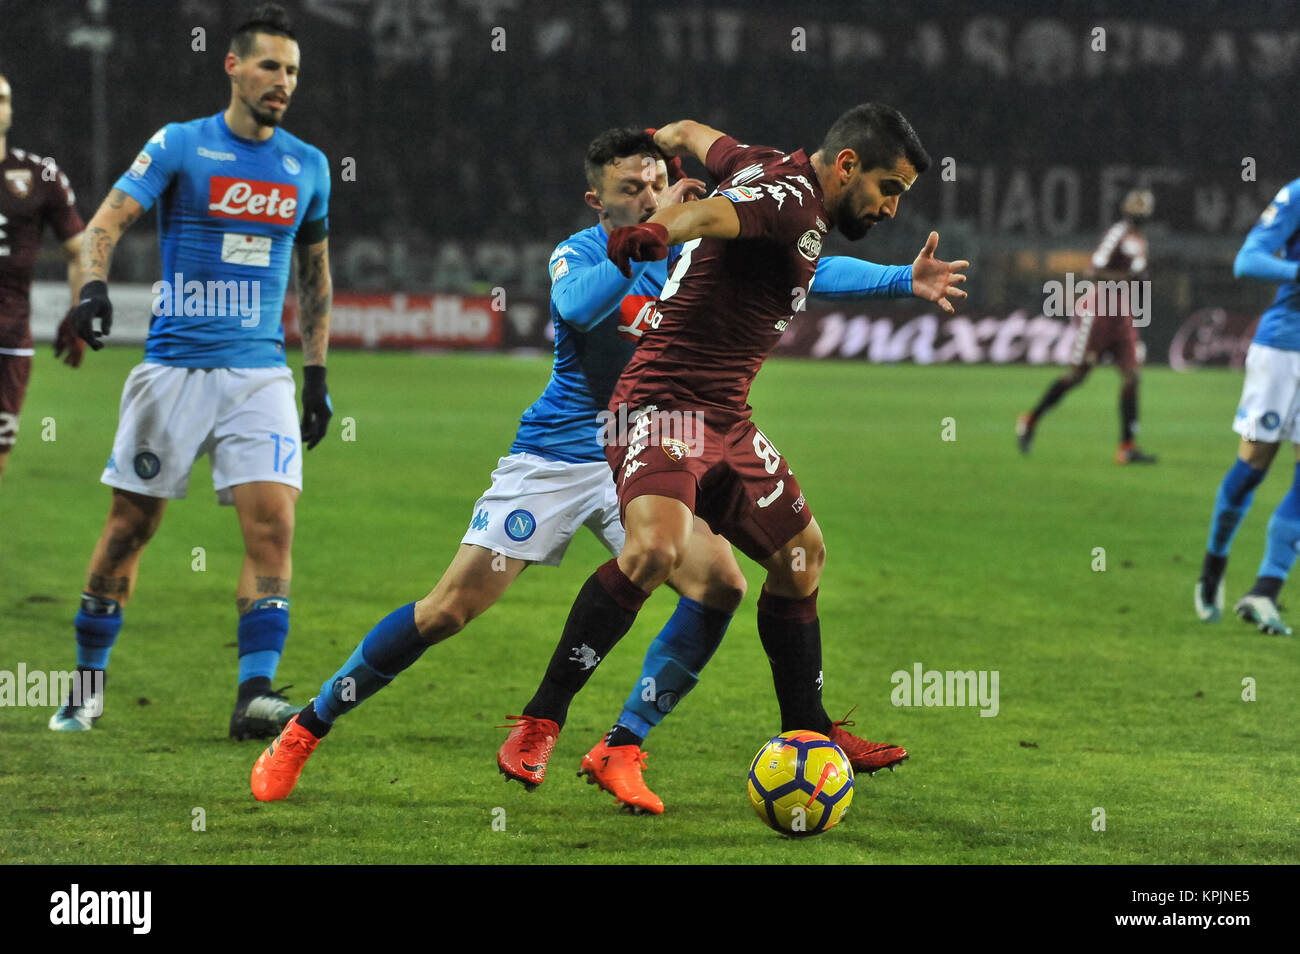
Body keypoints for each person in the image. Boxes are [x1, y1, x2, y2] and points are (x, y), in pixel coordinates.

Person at [249, 123, 965, 810]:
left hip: (668, 443)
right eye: (632, 188)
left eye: (658, 181)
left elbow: (806, 258)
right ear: (600, 200)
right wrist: (636, 246)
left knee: (719, 584)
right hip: (564, 454)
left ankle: (623, 745)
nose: (651, 196)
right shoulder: (584, 253)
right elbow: (573, 305)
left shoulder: (694, 248)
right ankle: (307, 726)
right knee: (449, 610)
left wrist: (900, 276)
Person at [499, 104, 964, 813]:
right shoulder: (782, 200)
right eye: (888, 188)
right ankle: (541, 719)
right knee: (653, 551)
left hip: (727, 418)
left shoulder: (759, 163)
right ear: (846, 166)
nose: (892, 207)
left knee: (802, 557)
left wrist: (660, 145)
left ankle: (809, 733)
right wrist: (655, 227)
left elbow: (688, 131)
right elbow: (710, 218)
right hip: (660, 404)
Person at [48, 4, 335, 738]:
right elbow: (105, 222)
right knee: (128, 530)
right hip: (174, 370)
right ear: (232, 66)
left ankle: (254, 697)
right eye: (270, 66)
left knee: (274, 527)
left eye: (293, 70)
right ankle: (85, 685)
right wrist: (92, 289)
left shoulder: (307, 165)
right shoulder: (180, 145)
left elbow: (315, 273)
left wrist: (316, 374)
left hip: (258, 374)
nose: (283, 82)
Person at [1195, 177, 1300, 634]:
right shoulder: (1297, 195)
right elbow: (1248, 260)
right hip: (1284, 349)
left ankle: (1264, 590)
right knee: (1254, 463)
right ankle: (1214, 563)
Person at [1017, 189, 1157, 463]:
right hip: (1100, 311)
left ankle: (1127, 447)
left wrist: (1135, 281)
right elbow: (1093, 271)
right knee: (1078, 375)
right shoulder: (1118, 234)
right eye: (1135, 204)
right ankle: (1030, 419)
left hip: (1123, 314)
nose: (1139, 210)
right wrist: (1128, 278)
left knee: (1132, 376)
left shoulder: (1139, 240)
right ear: (1126, 208)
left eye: (1144, 205)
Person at [0, 70, 86, 486]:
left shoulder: (40, 175)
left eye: (2, 98)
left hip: (10, 340)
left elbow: (78, 251)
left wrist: (79, 313)